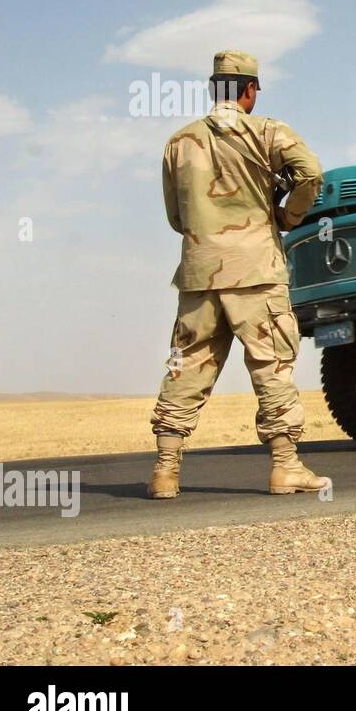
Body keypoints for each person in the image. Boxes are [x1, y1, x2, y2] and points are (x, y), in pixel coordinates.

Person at [147, 50, 327, 498]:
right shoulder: (269, 132)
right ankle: (285, 468)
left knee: (184, 368)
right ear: (250, 90)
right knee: (272, 367)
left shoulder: (178, 142)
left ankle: (165, 472)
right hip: (256, 272)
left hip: (200, 273)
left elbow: (176, 216)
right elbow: (311, 174)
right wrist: (288, 215)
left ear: (212, 89)